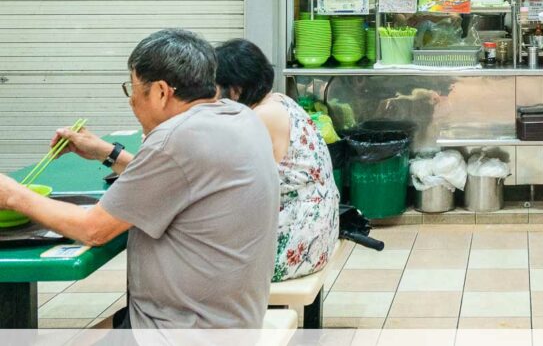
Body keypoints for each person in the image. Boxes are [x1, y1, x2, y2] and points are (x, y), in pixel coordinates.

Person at [0, 29, 279, 329]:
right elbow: (178, 180)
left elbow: (93, 229)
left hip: (183, 328)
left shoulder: (174, 139)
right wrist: (107, 153)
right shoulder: (239, 116)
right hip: (231, 317)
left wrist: (13, 194)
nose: (132, 101)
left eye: (132, 89)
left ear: (161, 91)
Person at [215, 38, 341, 282]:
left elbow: (227, 178)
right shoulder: (280, 101)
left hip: (296, 243)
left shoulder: (260, 117)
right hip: (318, 231)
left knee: (193, 259)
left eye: (216, 88)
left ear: (236, 89)